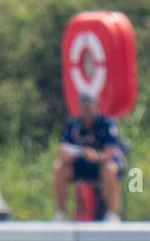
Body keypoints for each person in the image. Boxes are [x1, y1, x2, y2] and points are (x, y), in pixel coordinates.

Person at [53, 91, 124, 223]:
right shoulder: (73, 125)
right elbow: (63, 148)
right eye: (84, 107)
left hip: (100, 166)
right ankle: (61, 213)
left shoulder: (107, 124)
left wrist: (96, 156)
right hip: (80, 165)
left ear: (96, 106)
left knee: (110, 169)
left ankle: (112, 213)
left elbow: (111, 152)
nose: (87, 110)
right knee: (58, 168)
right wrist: (68, 155)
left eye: (90, 106)